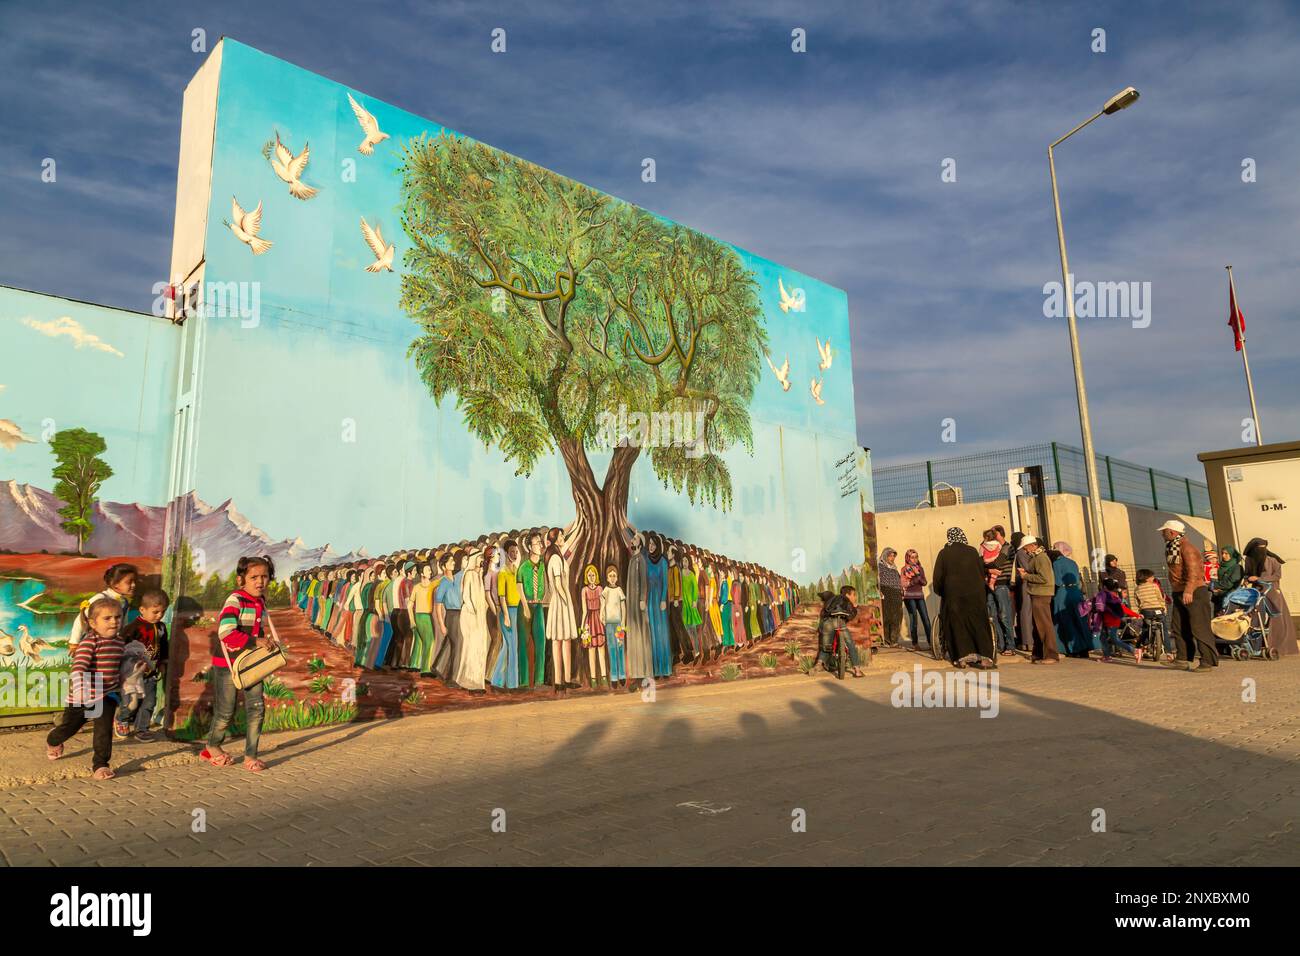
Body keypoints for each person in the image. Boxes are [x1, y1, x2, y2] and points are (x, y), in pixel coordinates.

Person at [203, 555, 278, 772]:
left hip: (251, 663)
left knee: (256, 708)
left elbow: (256, 629)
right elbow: (226, 633)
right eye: (254, 577)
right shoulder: (235, 600)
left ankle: (251, 756)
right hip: (228, 665)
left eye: (264, 576)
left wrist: (264, 640)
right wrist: (256, 641)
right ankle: (212, 745)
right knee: (226, 711)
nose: (260, 581)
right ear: (241, 580)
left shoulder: (260, 601)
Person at [47, 597, 126, 778]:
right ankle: (53, 740)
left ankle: (100, 764)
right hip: (81, 696)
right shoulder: (90, 642)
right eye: (107, 618)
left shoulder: (120, 642)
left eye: (118, 617)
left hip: (106, 694)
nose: (114, 621)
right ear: (93, 623)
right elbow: (78, 667)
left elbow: (122, 665)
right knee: (70, 727)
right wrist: (82, 685)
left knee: (103, 729)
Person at [931, 528, 996, 668]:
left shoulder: (944, 553)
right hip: (976, 595)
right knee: (979, 622)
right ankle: (985, 657)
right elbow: (980, 572)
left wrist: (942, 592)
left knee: (956, 623)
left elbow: (937, 578)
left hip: (954, 596)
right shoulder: (972, 551)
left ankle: (961, 657)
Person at [1158, 520, 1216, 671]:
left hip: (1194, 592)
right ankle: (1182, 658)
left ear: (1172, 532)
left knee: (1199, 627)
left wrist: (1189, 589)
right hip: (1179, 591)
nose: (1162, 534)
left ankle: (1207, 661)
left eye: (1164, 531)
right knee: (1178, 626)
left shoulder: (1187, 548)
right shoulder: (1173, 548)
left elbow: (1195, 571)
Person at [115, 587, 170, 740]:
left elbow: (164, 646)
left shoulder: (161, 627)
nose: (159, 615)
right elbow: (120, 645)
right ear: (142, 609)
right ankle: (122, 719)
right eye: (155, 612)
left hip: (151, 674)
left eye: (163, 612)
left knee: (149, 703)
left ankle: (141, 729)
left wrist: (163, 663)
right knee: (131, 702)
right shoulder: (133, 628)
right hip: (132, 675)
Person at [1243, 538, 1297, 656]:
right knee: (1256, 617)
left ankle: (1279, 646)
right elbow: (1247, 573)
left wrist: (1259, 579)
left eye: (1263, 548)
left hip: (1271, 590)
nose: (1261, 551)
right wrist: (1247, 579)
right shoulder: (1250, 559)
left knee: (1277, 618)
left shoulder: (1273, 560)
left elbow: (1277, 576)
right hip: (1256, 591)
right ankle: (1255, 646)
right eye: (1259, 549)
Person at [69, 563, 138, 651]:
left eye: (134, 581)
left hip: (112, 643)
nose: (134, 585)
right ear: (115, 584)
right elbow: (81, 619)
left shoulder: (124, 602)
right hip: (94, 644)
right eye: (129, 582)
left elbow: (123, 624)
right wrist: (74, 642)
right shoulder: (100, 598)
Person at [1018, 536, 1060, 664]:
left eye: (1026, 548)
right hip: (1037, 593)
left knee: (1044, 625)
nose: (1025, 551)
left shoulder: (1041, 558)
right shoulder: (1037, 557)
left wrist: (1026, 576)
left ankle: (1051, 655)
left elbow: (1044, 578)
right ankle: (1039, 653)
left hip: (1041, 594)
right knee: (1037, 625)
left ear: (1032, 545)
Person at [1051, 542, 1093, 658]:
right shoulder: (1073, 562)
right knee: (1080, 620)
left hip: (1063, 593)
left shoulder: (1056, 563)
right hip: (1076, 592)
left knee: (1066, 621)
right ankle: (1085, 647)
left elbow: (1058, 581)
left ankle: (1072, 649)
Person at [814, 585, 864, 677]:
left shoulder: (833, 598)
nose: (855, 597)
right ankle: (857, 670)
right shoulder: (846, 600)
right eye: (854, 595)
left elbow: (825, 612)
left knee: (827, 645)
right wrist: (855, 608)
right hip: (840, 622)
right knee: (850, 644)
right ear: (847, 595)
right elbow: (851, 615)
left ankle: (818, 664)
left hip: (828, 622)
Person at [1090, 577, 1143, 663]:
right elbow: (1124, 608)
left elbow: (1121, 608)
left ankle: (1134, 651)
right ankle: (1106, 656)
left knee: (1114, 639)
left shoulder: (1106, 596)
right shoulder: (1114, 596)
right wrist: (1136, 614)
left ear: (1105, 587)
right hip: (1109, 621)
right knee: (1103, 638)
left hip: (1111, 622)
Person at [1133, 569, 1173, 660]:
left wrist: (1140, 610)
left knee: (1145, 629)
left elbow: (1137, 602)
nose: (1153, 578)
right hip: (1158, 610)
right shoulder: (1154, 586)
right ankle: (1169, 653)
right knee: (1164, 630)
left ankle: (1138, 647)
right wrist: (1163, 607)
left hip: (1146, 611)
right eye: (1151, 576)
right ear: (1146, 578)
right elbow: (1160, 598)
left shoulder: (1137, 589)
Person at [601, 565, 628, 687]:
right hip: (609, 625)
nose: (612, 578)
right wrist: (602, 617)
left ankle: (622, 675)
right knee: (611, 649)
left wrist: (623, 623)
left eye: (614, 576)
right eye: (610, 576)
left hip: (618, 625)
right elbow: (602, 606)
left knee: (620, 648)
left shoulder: (619, 590)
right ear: (607, 578)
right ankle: (613, 676)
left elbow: (623, 608)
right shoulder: (605, 590)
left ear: (617, 577)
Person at [900, 549, 931, 648]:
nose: (914, 559)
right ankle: (915, 643)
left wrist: (917, 575)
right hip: (909, 597)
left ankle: (931, 643)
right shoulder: (904, 569)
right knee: (914, 619)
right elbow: (904, 584)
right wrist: (915, 580)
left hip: (919, 596)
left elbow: (924, 582)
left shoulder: (920, 569)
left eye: (916, 557)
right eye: (912, 557)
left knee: (925, 618)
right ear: (908, 558)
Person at [877, 548, 903, 647]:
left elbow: (898, 581)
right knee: (886, 616)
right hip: (885, 593)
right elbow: (876, 581)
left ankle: (894, 641)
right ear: (885, 556)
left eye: (893, 556)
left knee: (896, 617)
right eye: (890, 555)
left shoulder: (894, 568)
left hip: (896, 594)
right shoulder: (880, 567)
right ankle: (886, 640)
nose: (892, 558)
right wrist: (879, 591)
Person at [1211, 545, 1243, 615]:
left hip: (1230, 597)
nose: (1223, 555)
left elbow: (1229, 584)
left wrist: (1214, 585)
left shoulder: (1237, 568)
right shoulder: (1220, 566)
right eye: (1222, 553)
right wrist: (1213, 587)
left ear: (1231, 554)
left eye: (1226, 553)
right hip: (1217, 597)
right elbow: (1214, 579)